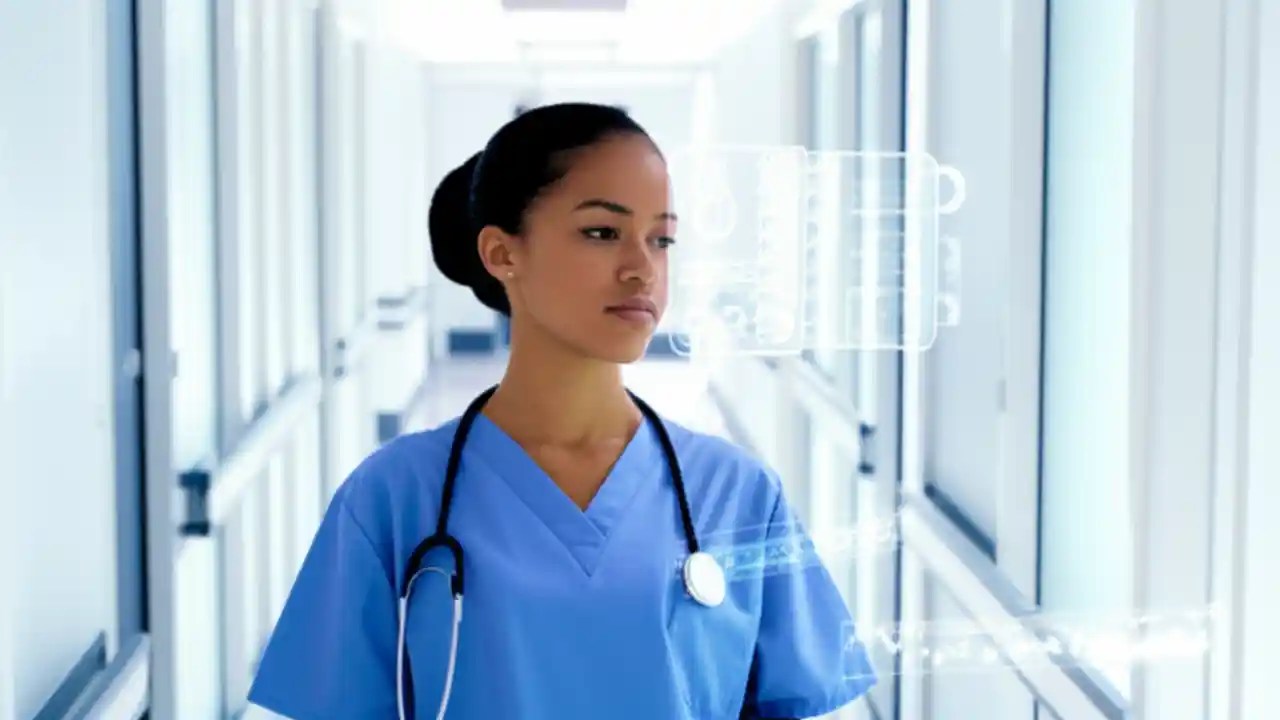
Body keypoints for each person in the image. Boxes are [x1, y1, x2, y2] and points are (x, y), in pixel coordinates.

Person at [247, 102, 875, 719]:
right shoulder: (392, 496)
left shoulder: (739, 494)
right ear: (502, 254)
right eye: (602, 232)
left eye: (661, 239)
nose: (642, 270)